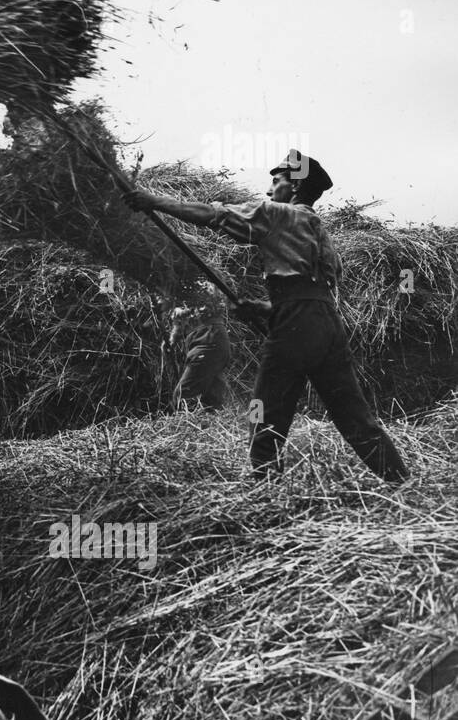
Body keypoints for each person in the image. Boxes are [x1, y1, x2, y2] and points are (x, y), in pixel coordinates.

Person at [124, 151, 408, 482]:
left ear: (297, 185)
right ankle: (400, 480)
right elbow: (311, 292)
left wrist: (153, 201)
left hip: (294, 325)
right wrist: (264, 310)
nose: (270, 189)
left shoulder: (275, 214)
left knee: (264, 411)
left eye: (277, 181)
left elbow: (211, 215)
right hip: (326, 325)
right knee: (354, 415)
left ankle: (265, 490)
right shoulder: (319, 230)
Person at [168, 291, 233, 411]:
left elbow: (205, 307)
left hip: (208, 340)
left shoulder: (199, 284)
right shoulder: (188, 284)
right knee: (210, 399)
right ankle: (210, 426)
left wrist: (176, 311)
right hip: (210, 340)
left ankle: (185, 426)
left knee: (183, 395)